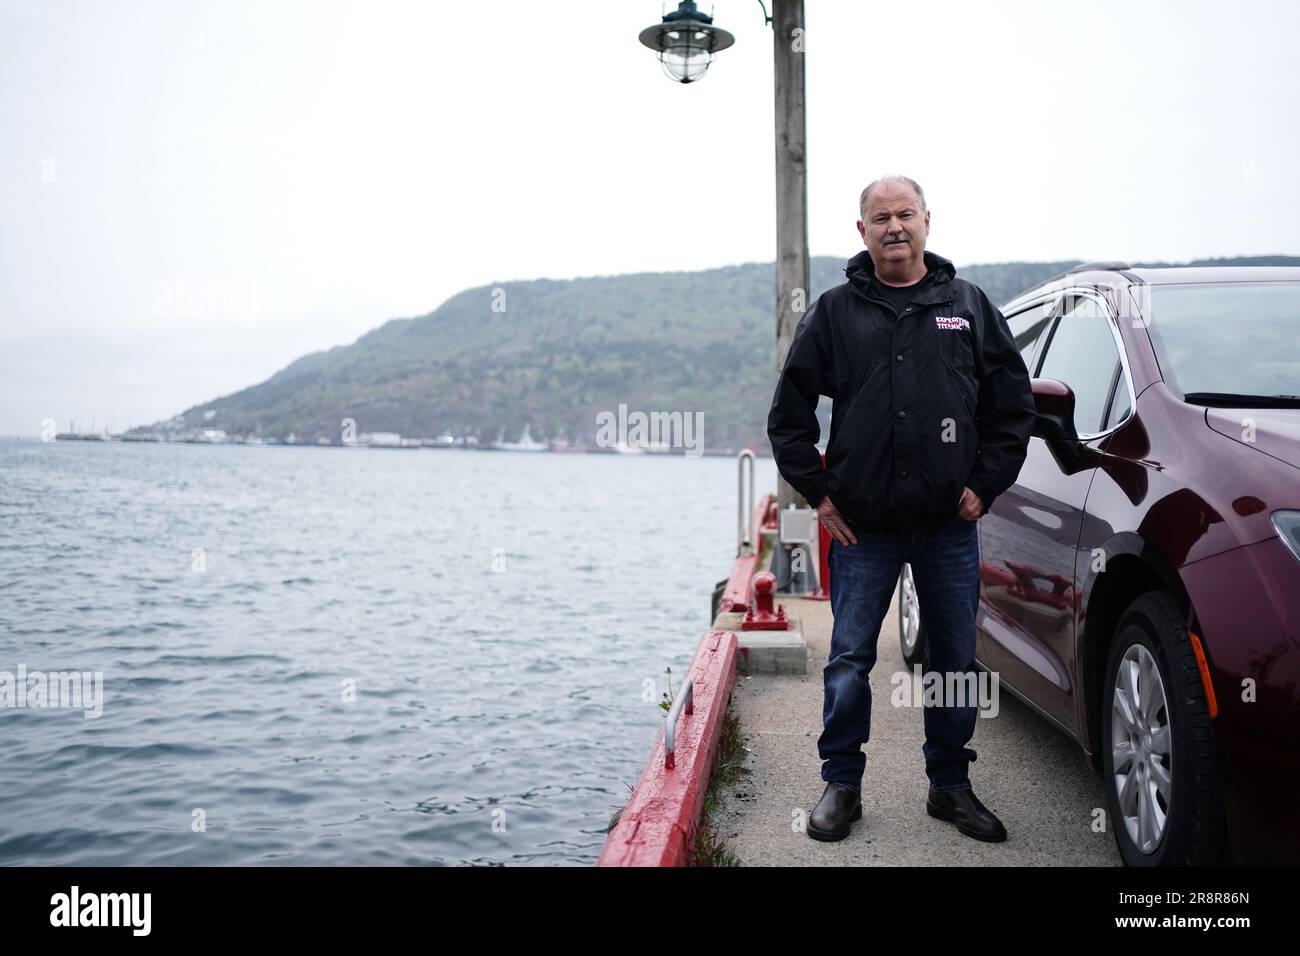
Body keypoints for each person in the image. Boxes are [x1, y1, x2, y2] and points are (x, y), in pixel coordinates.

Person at [766, 175, 1036, 843]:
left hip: (948, 525)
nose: (894, 226)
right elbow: (789, 415)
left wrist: (986, 482)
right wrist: (820, 494)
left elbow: (1013, 408)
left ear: (926, 222)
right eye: (880, 217)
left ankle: (950, 787)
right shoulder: (833, 314)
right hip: (862, 528)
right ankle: (841, 785)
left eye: (904, 214)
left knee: (951, 661)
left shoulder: (968, 307)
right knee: (850, 659)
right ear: (861, 231)